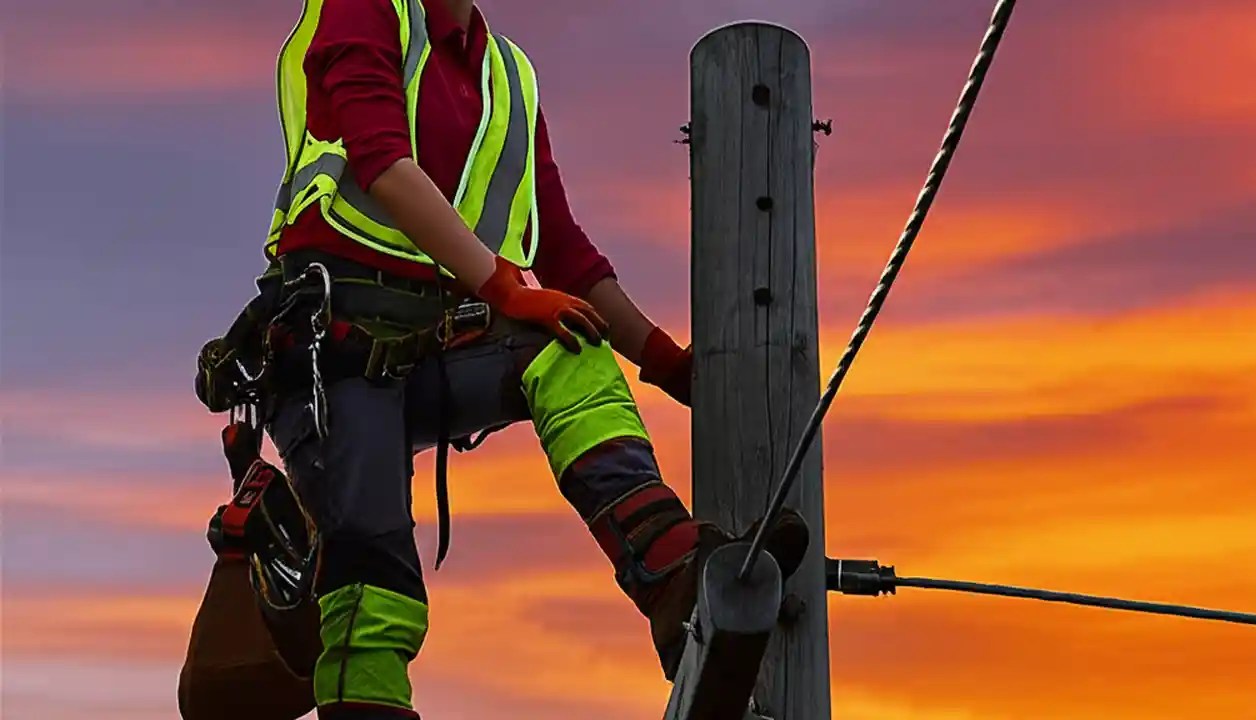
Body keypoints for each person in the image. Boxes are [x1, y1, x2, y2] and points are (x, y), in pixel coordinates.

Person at [178, 1, 810, 718]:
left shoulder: (505, 73)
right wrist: (503, 285)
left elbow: (561, 245)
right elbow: (380, 160)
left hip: (430, 350)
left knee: (567, 343)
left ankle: (667, 568)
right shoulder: (367, 8)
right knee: (375, 578)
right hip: (331, 352)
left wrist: (664, 361)